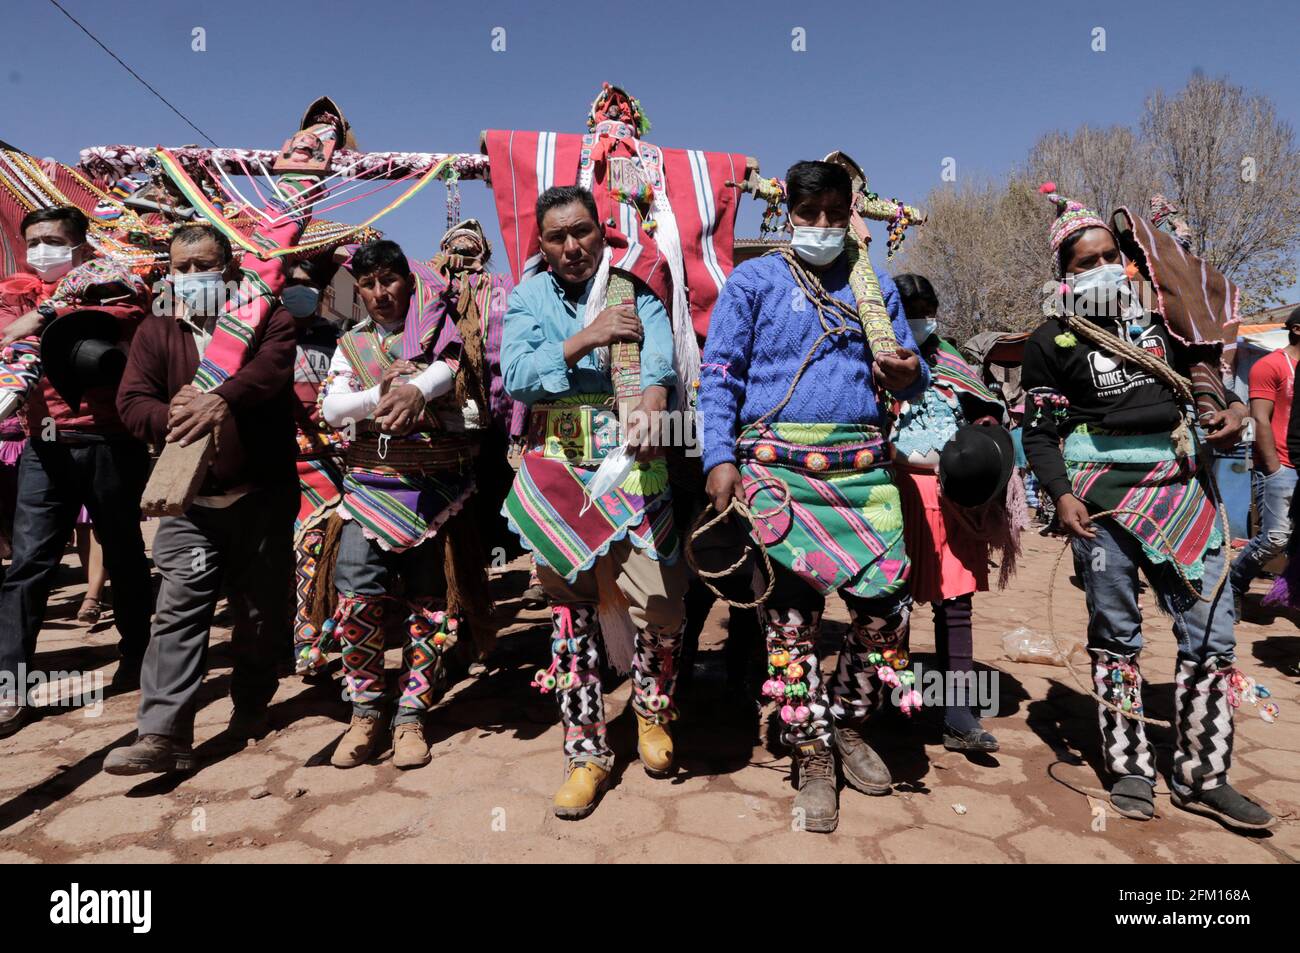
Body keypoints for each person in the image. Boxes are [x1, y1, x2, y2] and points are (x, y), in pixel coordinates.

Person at [1020, 185, 1274, 831]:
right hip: (1102, 501)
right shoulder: (1051, 340)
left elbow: (1214, 379)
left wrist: (1235, 412)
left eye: (1110, 255)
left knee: (1211, 639)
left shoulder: (1169, 320)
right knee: (1116, 633)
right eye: (1085, 262)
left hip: (1185, 490)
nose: (1102, 267)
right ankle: (1131, 764)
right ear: (1065, 274)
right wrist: (1062, 493)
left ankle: (1203, 774)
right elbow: (1040, 433)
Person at [698, 160, 928, 833]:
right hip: (776, 465)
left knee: (886, 612)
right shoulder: (754, 281)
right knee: (791, 621)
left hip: (862, 467)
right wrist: (718, 457)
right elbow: (720, 376)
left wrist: (910, 373)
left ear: (850, 212)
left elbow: (911, 378)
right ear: (787, 215)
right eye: (810, 214)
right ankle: (812, 750)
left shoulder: (873, 283)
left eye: (836, 213)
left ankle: (848, 719)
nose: (823, 226)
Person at [501, 185, 687, 819]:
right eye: (557, 237)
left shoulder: (636, 291)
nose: (572, 246)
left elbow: (659, 364)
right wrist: (588, 338)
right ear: (543, 246)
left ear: (601, 232)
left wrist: (654, 404)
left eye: (581, 231)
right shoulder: (526, 298)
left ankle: (652, 715)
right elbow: (517, 376)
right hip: (557, 470)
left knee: (661, 599)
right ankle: (585, 752)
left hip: (633, 465)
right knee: (571, 615)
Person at [105, 222, 299, 773]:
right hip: (188, 504)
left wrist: (220, 399)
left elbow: (271, 373)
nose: (191, 277)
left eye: (203, 266)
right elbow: (132, 400)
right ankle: (162, 735)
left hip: (260, 496)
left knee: (259, 613)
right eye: (181, 267)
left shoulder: (269, 316)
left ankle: (252, 701)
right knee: (177, 611)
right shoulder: (155, 328)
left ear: (230, 269)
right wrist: (175, 417)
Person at [316, 239, 477, 770]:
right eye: (368, 284)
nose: (381, 293)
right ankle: (365, 712)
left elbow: (452, 370)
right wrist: (378, 397)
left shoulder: (438, 329)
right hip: (367, 490)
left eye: (390, 280)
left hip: (434, 493)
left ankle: (411, 717)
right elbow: (334, 409)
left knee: (428, 604)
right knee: (357, 597)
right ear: (357, 290)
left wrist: (416, 391)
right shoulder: (351, 344)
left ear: (408, 281)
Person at [0, 206, 153, 738]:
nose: (42, 251)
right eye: (33, 242)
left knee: (124, 548)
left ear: (81, 247)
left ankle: (139, 654)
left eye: (53, 241)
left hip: (111, 438)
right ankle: (8, 686)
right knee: (29, 562)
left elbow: (127, 317)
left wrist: (49, 316)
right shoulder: (16, 296)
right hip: (44, 444)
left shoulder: (114, 282)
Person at [891, 273, 1021, 752]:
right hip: (888, 493)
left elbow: (989, 414)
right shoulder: (871, 359)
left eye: (926, 307)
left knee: (956, 603)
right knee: (889, 604)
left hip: (949, 500)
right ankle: (894, 700)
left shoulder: (952, 362)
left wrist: (986, 426)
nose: (918, 317)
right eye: (907, 309)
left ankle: (958, 713)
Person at [280, 256, 346, 677]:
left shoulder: (338, 338)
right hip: (273, 460)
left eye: (308, 284)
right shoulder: (262, 336)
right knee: (279, 559)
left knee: (316, 553)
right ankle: (277, 638)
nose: (300, 291)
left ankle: (311, 639)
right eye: (292, 283)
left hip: (323, 461)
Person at [1230, 307, 1299, 611]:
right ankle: (1234, 582)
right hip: (1280, 464)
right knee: (1275, 538)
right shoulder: (1270, 365)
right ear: (1296, 329)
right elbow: (1259, 418)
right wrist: (1273, 468)